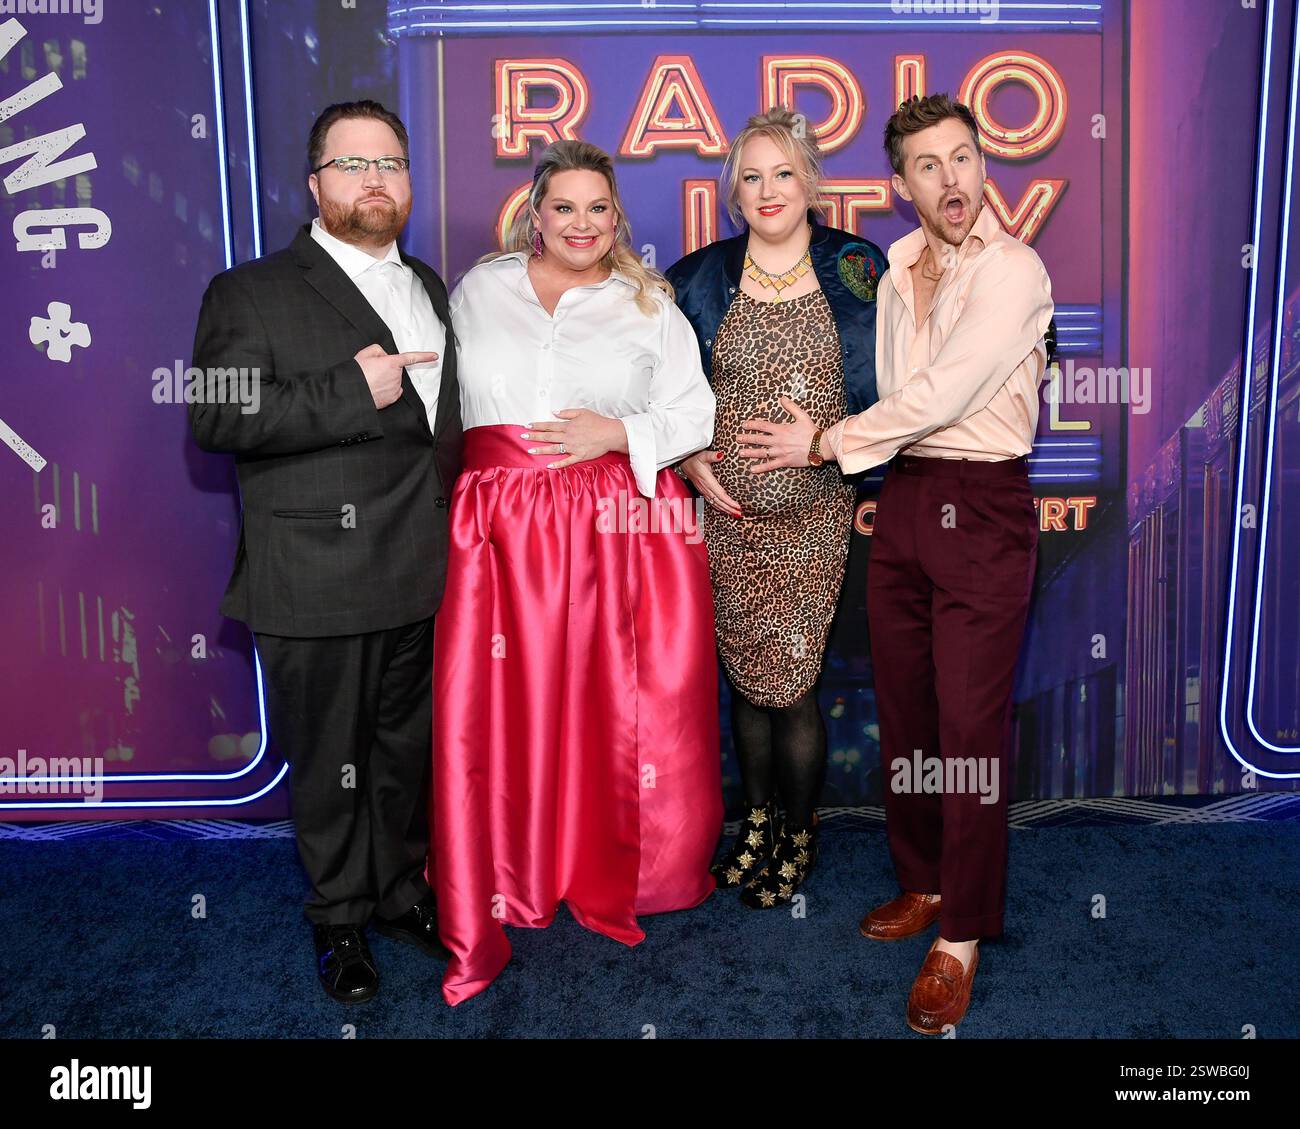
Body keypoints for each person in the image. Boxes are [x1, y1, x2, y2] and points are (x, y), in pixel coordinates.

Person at [737, 93, 1054, 1033]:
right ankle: (920, 880)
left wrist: (827, 442)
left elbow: (946, 390)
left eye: (964, 158)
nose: (951, 179)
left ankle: (960, 932)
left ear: (983, 166)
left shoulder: (1015, 268)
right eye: (929, 165)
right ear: (901, 183)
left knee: (968, 733)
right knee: (909, 713)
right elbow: (901, 399)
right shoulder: (897, 266)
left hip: (985, 503)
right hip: (904, 498)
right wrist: (850, 446)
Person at [432, 139, 720, 1006]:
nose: (582, 224)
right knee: (500, 703)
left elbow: (693, 408)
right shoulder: (478, 290)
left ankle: (610, 864)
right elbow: (443, 398)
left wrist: (617, 436)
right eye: (565, 207)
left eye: (599, 209)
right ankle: (509, 867)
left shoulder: (647, 302)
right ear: (534, 210)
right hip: (498, 526)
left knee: (608, 699)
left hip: (613, 524)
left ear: (617, 218)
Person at [189, 100, 461, 1004]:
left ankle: (396, 892)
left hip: (418, 570)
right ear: (314, 184)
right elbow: (217, 415)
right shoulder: (249, 289)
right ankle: (339, 919)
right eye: (351, 164)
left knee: (399, 756)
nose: (374, 179)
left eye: (389, 162)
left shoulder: (427, 279)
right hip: (315, 577)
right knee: (332, 762)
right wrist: (353, 387)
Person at [666, 108, 887, 909]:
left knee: (790, 685)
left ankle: (799, 831)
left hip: (814, 518)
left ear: (812, 182)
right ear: (733, 191)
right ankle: (753, 824)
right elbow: (660, 387)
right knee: (743, 682)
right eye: (751, 176)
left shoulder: (859, 269)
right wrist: (688, 457)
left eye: (783, 173)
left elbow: (903, 388)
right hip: (726, 517)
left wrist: (825, 439)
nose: (767, 190)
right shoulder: (697, 276)